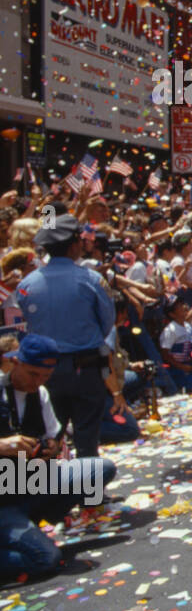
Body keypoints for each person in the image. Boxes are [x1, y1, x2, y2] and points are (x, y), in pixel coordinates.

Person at [0, 334, 117, 581]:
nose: (38, 382)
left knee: (100, 469)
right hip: (3, 498)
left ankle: (31, 523)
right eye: (33, 374)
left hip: (28, 482)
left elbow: (53, 439)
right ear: (16, 363)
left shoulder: (40, 394)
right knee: (45, 560)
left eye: (45, 377)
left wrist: (51, 449)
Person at [15, 215, 123, 458]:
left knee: (49, 436)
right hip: (85, 367)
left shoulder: (25, 285)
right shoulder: (92, 280)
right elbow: (106, 323)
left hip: (44, 370)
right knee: (87, 434)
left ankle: (50, 492)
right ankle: (91, 492)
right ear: (75, 244)